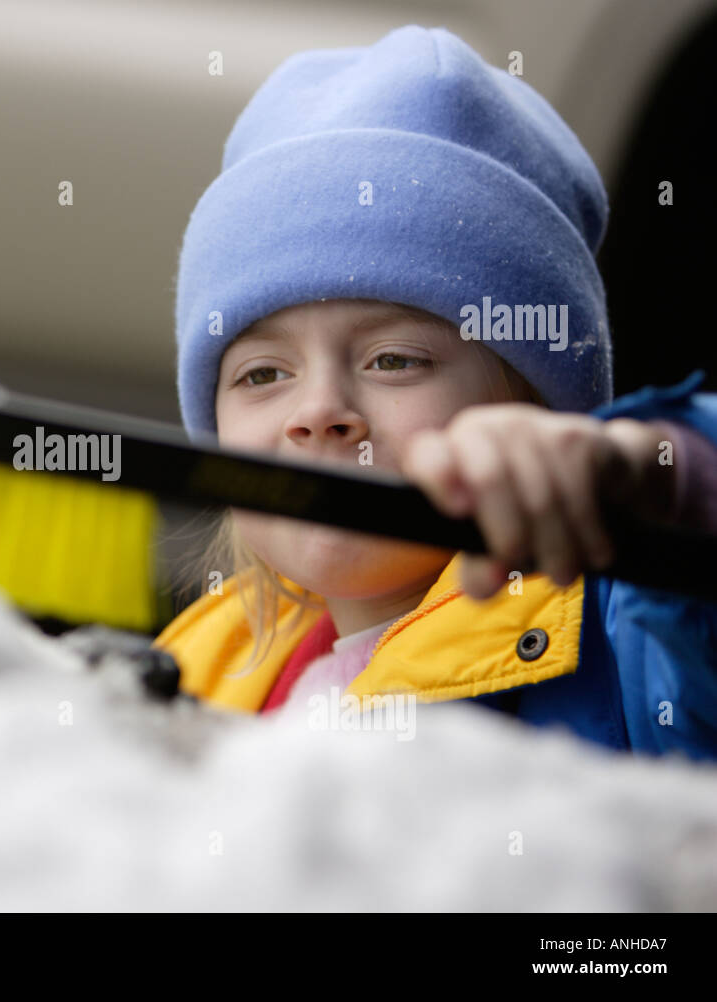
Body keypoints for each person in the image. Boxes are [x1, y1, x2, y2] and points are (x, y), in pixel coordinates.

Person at [151, 25, 717, 760]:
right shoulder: (201, 666)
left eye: (394, 360)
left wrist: (658, 473)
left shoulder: (626, 632)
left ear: (534, 411)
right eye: (263, 374)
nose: (319, 412)